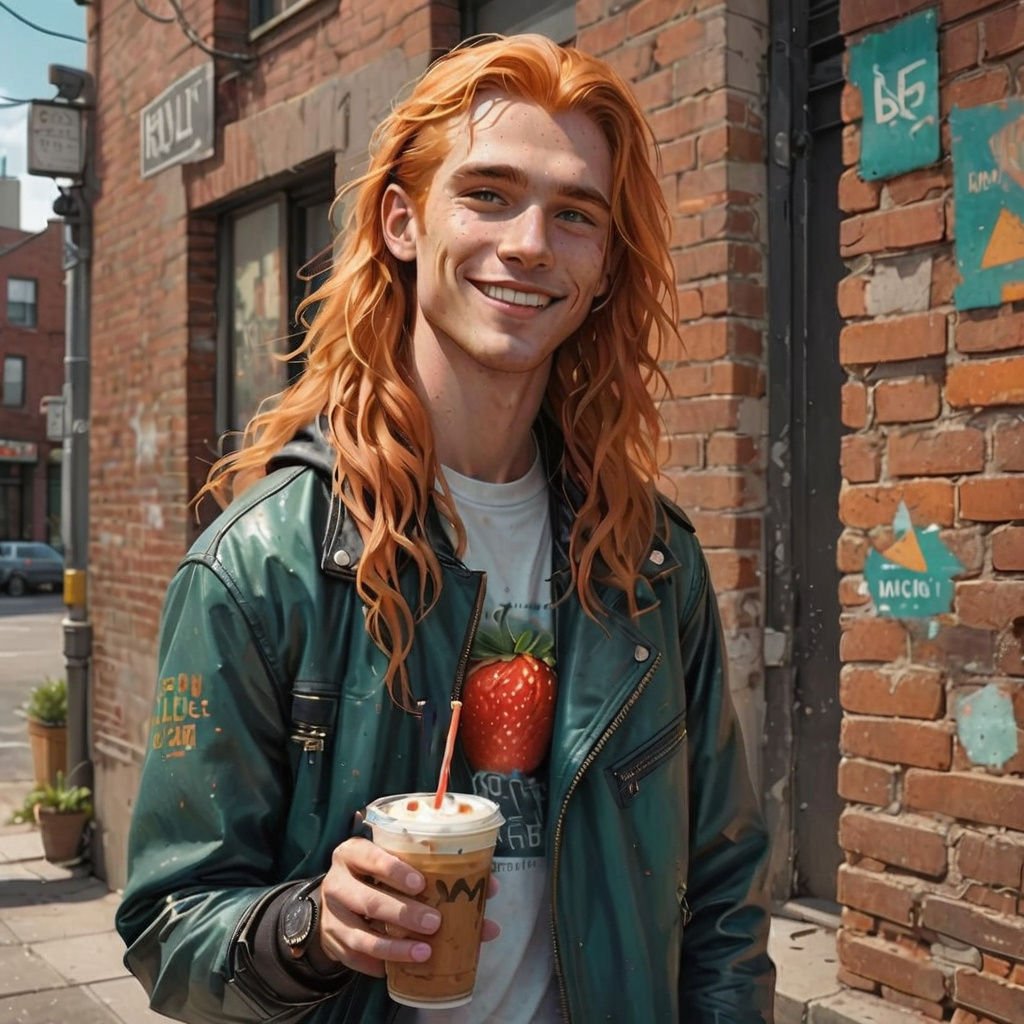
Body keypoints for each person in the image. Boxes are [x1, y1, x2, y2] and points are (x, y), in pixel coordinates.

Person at [116, 33, 775, 1024]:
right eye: (489, 194)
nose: (528, 242)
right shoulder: (262, 564)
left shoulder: (648, 560)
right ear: (401, 222)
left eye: (574, 216)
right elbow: (169, 927)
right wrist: (310, 927)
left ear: (601, 266)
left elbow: (723, 891)